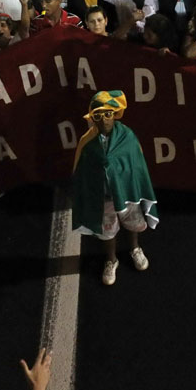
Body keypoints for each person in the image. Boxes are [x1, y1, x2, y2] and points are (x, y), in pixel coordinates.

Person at [72, 91, 158, 286]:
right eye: (98, 115)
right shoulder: (87, 142)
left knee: (133, 221)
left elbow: (137, 165)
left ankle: (134, 248)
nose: (104, 120)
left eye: (108, 114)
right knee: (107, 230)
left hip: (127, 194)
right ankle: (111, 259)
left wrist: (132, 185)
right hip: (104, 197)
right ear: (92, 119)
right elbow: (80, 171)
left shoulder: (127, 137)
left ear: (116, 114)